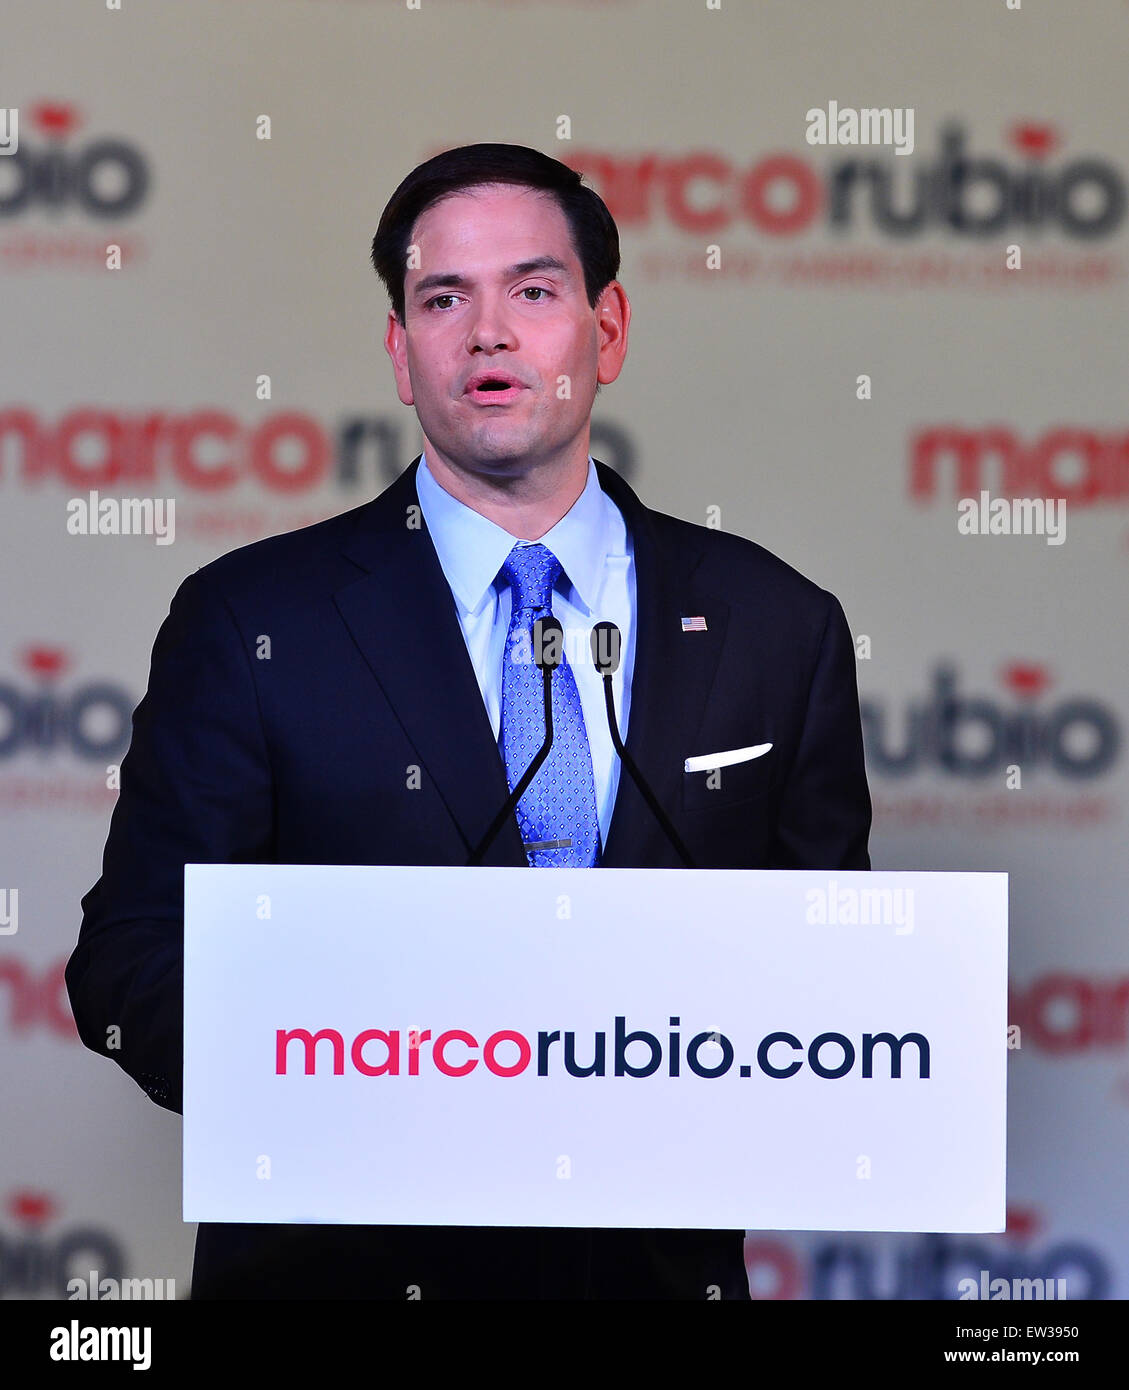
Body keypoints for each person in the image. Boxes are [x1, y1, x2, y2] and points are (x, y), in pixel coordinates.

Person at [65, 142, 871, 1300]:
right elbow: (129, 971)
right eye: (444, 299)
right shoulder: (252, 621)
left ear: (608, 329)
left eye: (533, 292)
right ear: (401, 352)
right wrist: (395, 1051)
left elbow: (826, 980)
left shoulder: (774, 626)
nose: (488, 333)